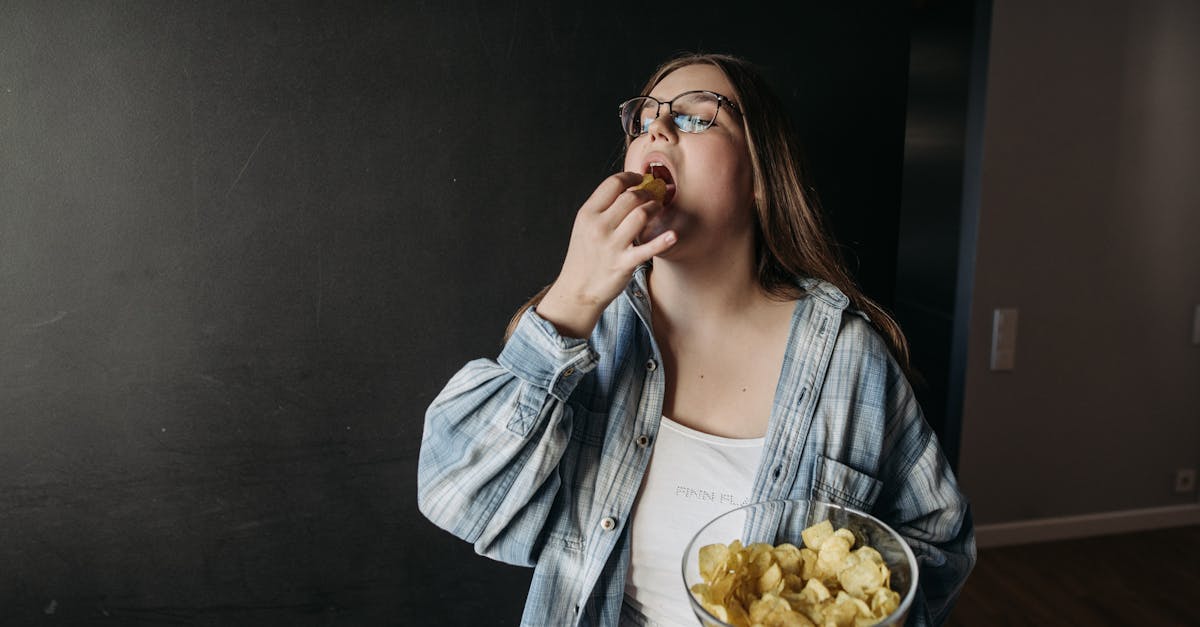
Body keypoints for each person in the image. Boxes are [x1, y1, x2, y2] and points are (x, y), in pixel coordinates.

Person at [417, 52, 975, 626]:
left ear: (760, 179)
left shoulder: (848, 356)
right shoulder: (580, 334)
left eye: (695, 117)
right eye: (645, 119)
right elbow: (456, 499)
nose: (656, 127)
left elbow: (938, 544)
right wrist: (574, 296)